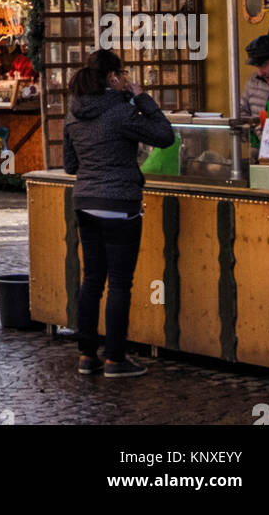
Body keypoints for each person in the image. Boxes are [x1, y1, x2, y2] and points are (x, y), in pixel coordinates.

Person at [63, 48, 175, 379]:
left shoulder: (73, 114)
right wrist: (141, 96)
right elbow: (165, 136)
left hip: (85, 202)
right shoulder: (120, 112)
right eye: (122, 74)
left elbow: (71, 165)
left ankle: (86, 356)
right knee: (120, 285)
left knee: (92, 280)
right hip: (119, 205)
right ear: (115, 77)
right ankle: (114, 359)